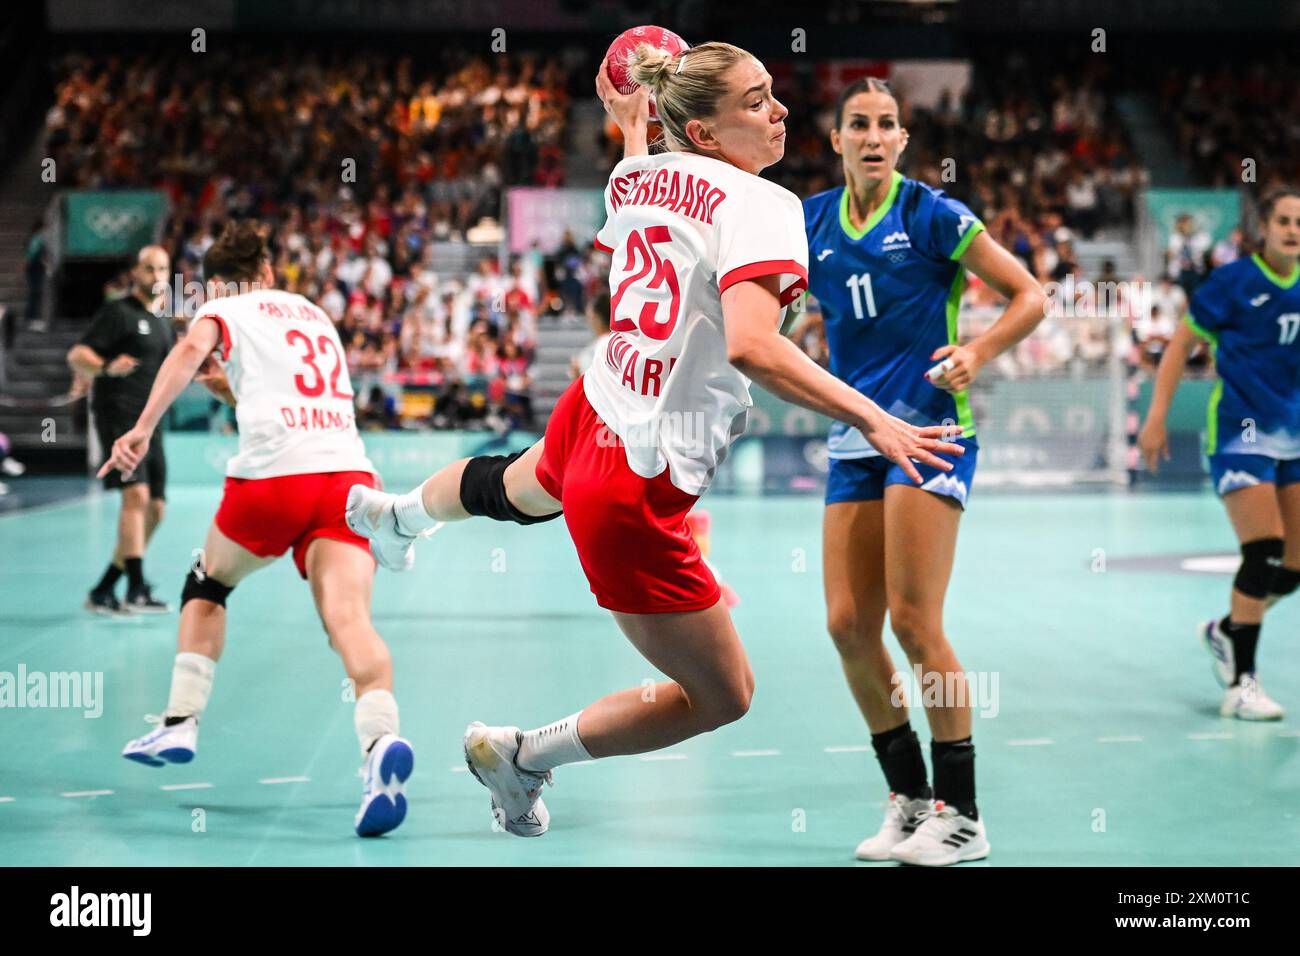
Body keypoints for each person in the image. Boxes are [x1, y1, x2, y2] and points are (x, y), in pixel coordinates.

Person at [346, 41, 961, 838]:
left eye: (773, 93)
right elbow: (752, 346)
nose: (778, 111)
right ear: (703, 132)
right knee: (724, 695)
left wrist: (631, 126)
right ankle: (524, 755)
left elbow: (649, 184)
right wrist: (874, 416)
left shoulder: (633, 177)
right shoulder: (763, 206)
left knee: (519, 488)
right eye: (754, 101)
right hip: (638, 477)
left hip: (595, 403)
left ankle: (399, 517)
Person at [98, 222, 414, 837]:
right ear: (268, 270)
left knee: (207, 584)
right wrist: (234, 391)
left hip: (275, 481)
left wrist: (140, 429)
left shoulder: (220, 308)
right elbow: (293, 395)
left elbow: (188, 352)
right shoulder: (314, 313)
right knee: (349, 620)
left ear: (216, 281)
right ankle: (381, 748)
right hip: (348, 479)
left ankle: (180, 719)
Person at [804, 77, 1046, 866]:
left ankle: (965, 814)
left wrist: (976, 352)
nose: (873, 136)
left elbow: (1028, 296)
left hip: (932, 432)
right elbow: (790, 307)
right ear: (836, 138)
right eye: (858, 125)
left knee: (914, 623)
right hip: (853, 440)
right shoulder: (809, 222)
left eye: (886, 125)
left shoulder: (930, 213)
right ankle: (908, 799)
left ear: (904, 141)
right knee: (847, 626)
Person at [1140, 186, 1300, 722]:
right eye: (1284, 220)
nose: (1293, 230)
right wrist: (1157, 416)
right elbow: (1181, 345)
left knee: (1295, 565)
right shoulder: (1232, 283)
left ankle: (1226, 630)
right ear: (1263, 228)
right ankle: (1241, 685)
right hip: (1240, 432)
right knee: (1265, 550)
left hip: (1294, 435)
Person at [68, 246, 175, 614]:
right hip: (118, 413)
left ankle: (105, 588)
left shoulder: (162, 321)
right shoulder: (118, 313)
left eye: (162, 268)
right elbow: (78, 355)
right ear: (135, 272)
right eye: (149, 268)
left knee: (157, 510)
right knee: (137, 498)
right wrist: (107, 366)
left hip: (150, 422)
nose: (156, 275)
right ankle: (136, 587)